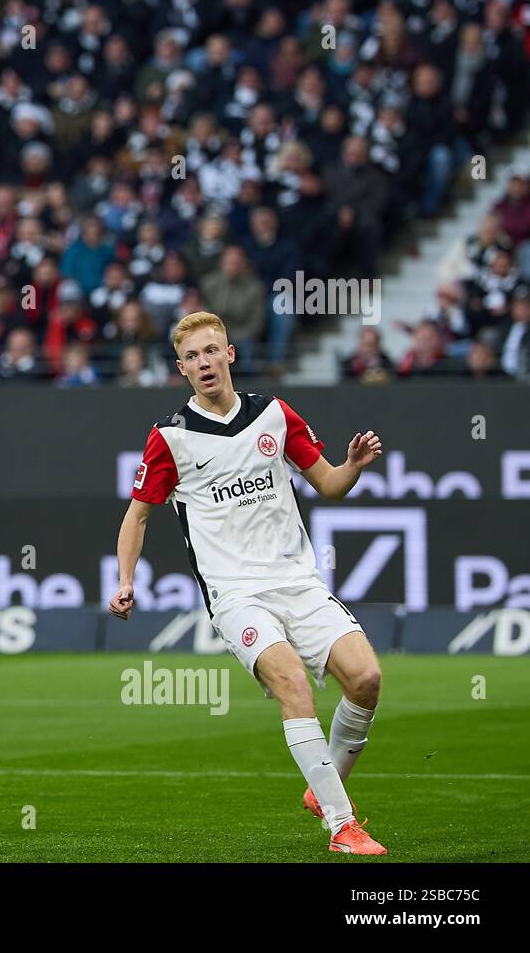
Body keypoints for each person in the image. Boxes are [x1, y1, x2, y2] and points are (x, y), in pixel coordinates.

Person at [109, 310, 388, 856]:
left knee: (368, 678)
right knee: (294, 686)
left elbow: (329, 484)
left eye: (212, 350)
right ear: (181, 369)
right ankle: (341, 826)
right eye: (191, 357)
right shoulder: (172, 438)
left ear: (230, 354)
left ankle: (321, 786)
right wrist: (124, 580)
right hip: (235, 594)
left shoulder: (273, 415)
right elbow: (136, 516)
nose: (203, 362)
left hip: (298, 582)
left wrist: (353, 465)